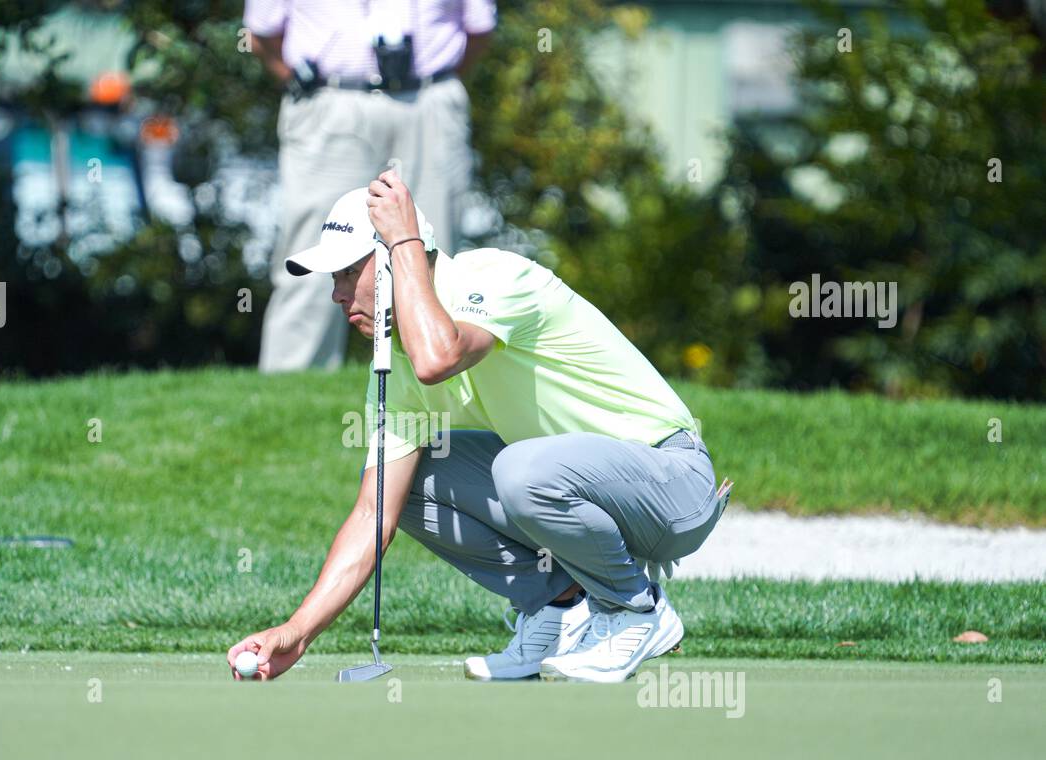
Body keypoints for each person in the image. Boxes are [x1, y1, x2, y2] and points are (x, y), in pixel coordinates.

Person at [226, 169, 731, 683]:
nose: (336, 295)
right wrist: (298, 630)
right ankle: (560, 607)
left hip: (672, 481)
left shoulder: (490, 276)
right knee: (410, 482)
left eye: (346, 273)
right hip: (582, 492)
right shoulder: (397, 361)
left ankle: (635, 610)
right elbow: (373, 514)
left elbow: (438, 356)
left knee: (521, 467)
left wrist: (403, 240)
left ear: (390, 263)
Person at [245, 0, 496, 372]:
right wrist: (301, 82)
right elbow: (261, 34)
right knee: (313, 250)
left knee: (435, 251)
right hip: (331, 100)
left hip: (429, 99)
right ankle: (292, 386)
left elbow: (479, 27)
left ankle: (442, 381)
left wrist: (435, 82)